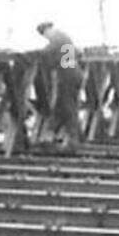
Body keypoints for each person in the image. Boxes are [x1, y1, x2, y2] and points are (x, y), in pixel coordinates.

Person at [36, 21, 84, 153]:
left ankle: (73, 141)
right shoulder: (65, 37)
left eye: (45, 34)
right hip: (74, 73)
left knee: (67, 107)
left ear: (48, 30)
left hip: (68, 76)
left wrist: (37, 54)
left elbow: (48, 53)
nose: (46, 37)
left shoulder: (57, 38)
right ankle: (57, 136)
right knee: (65, 106)